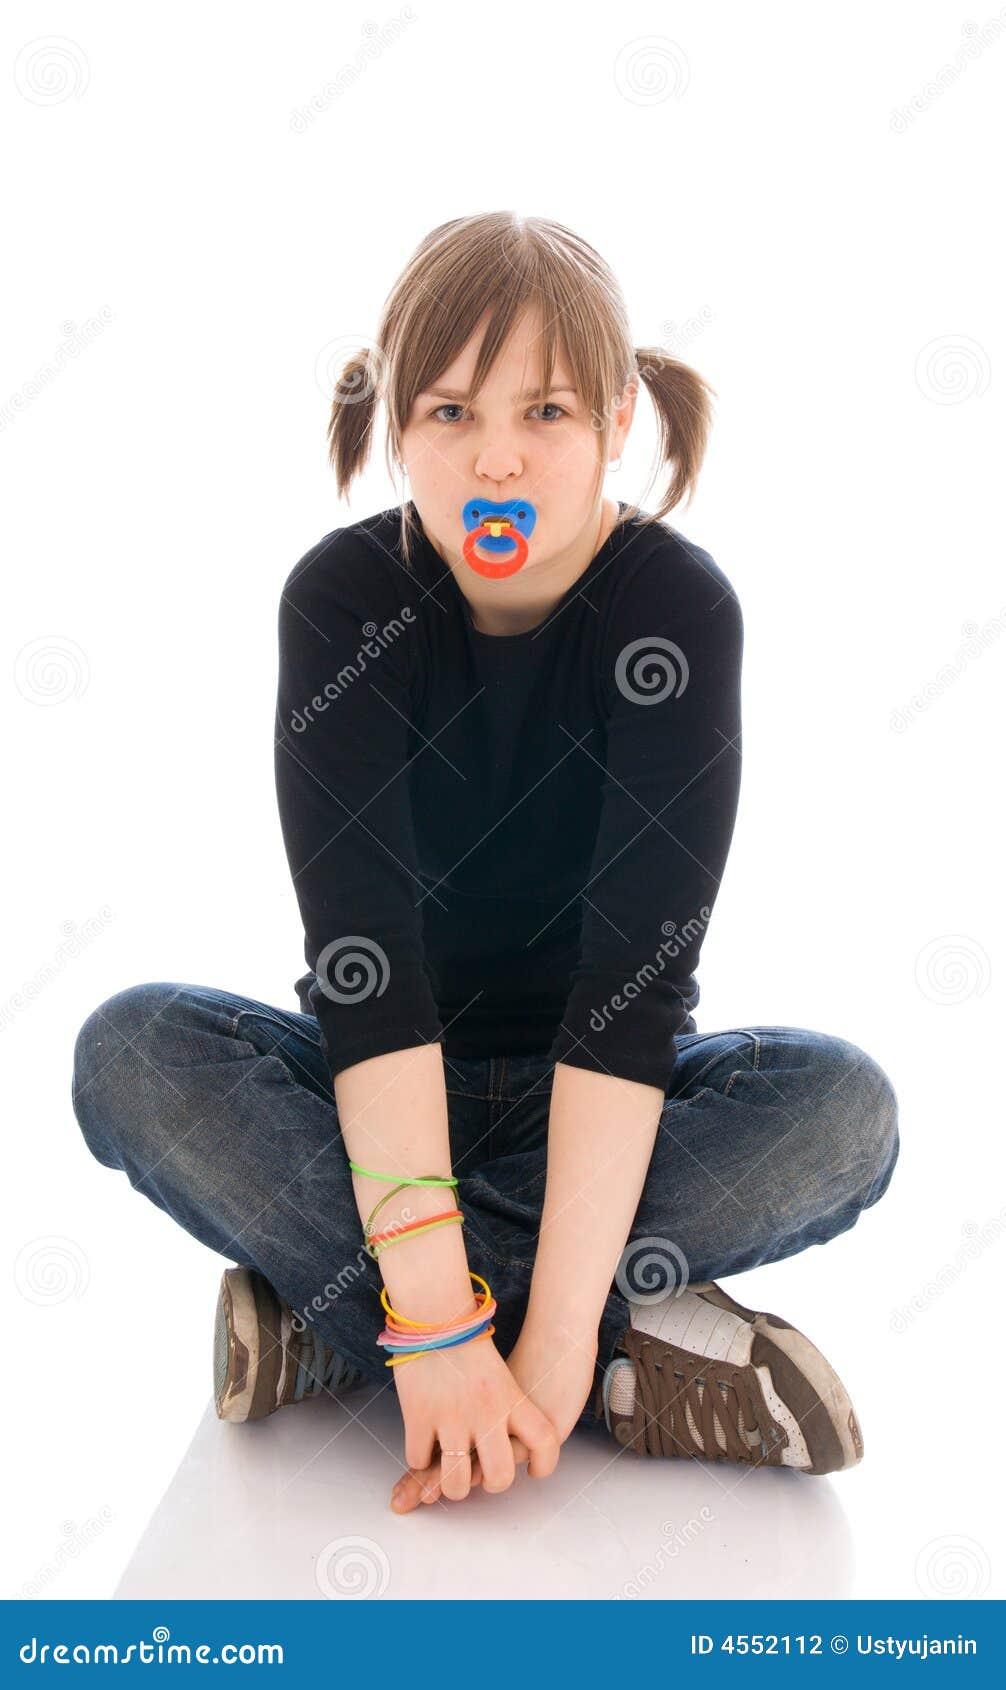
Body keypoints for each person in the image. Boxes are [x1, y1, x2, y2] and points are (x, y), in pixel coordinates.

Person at [71, 212, 899, 1518]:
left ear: (618, 418)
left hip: (606, 1098)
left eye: (547, 411)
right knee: (132, 1051)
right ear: (396, 422)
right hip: (382, 1090)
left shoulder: (676, 610)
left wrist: (541, 1342)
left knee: (840, 1109)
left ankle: (337, 1327)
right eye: (449, 410)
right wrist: (446, 1333)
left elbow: (634, 1000)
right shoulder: (342, 603)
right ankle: (629, 1345)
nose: (495, 458)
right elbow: (368, 984)